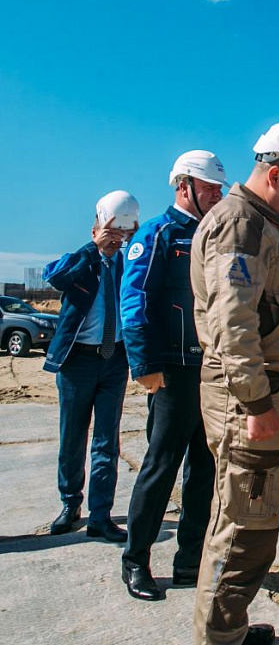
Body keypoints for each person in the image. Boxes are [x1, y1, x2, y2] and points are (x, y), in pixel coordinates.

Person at [190, 119, 279, 645]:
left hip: (263, 390)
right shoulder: (241, 225)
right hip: (249, 395)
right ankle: (220, 638)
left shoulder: (259, 223)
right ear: (276, 174)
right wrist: (254, 402)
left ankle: (229, 630)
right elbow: (232, 323)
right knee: (242, 528)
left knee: (251, 519)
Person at [118, 151, 227, 601]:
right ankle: (135, 561)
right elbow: (134, 302)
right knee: (161, 466)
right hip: (171, 374)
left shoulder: (215, 234)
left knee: (205, 469)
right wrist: (145, 366)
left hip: (209, 371)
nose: (217, 195)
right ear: (184, 186)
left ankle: (189, 563)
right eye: (210, 188)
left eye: (219, 188)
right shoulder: (158, 234)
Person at [42, 190, 140, 542]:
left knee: (106, 441)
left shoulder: (129, 265)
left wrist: (135, 240)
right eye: (108, 233)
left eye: (119, 234)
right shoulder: (81, 262)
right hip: (77, 362)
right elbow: (54, 277)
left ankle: (100, 516)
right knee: (73, 438)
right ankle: (71, 504)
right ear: (95, 231)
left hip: (114, 360)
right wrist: (92, 249)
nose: (114, 240)